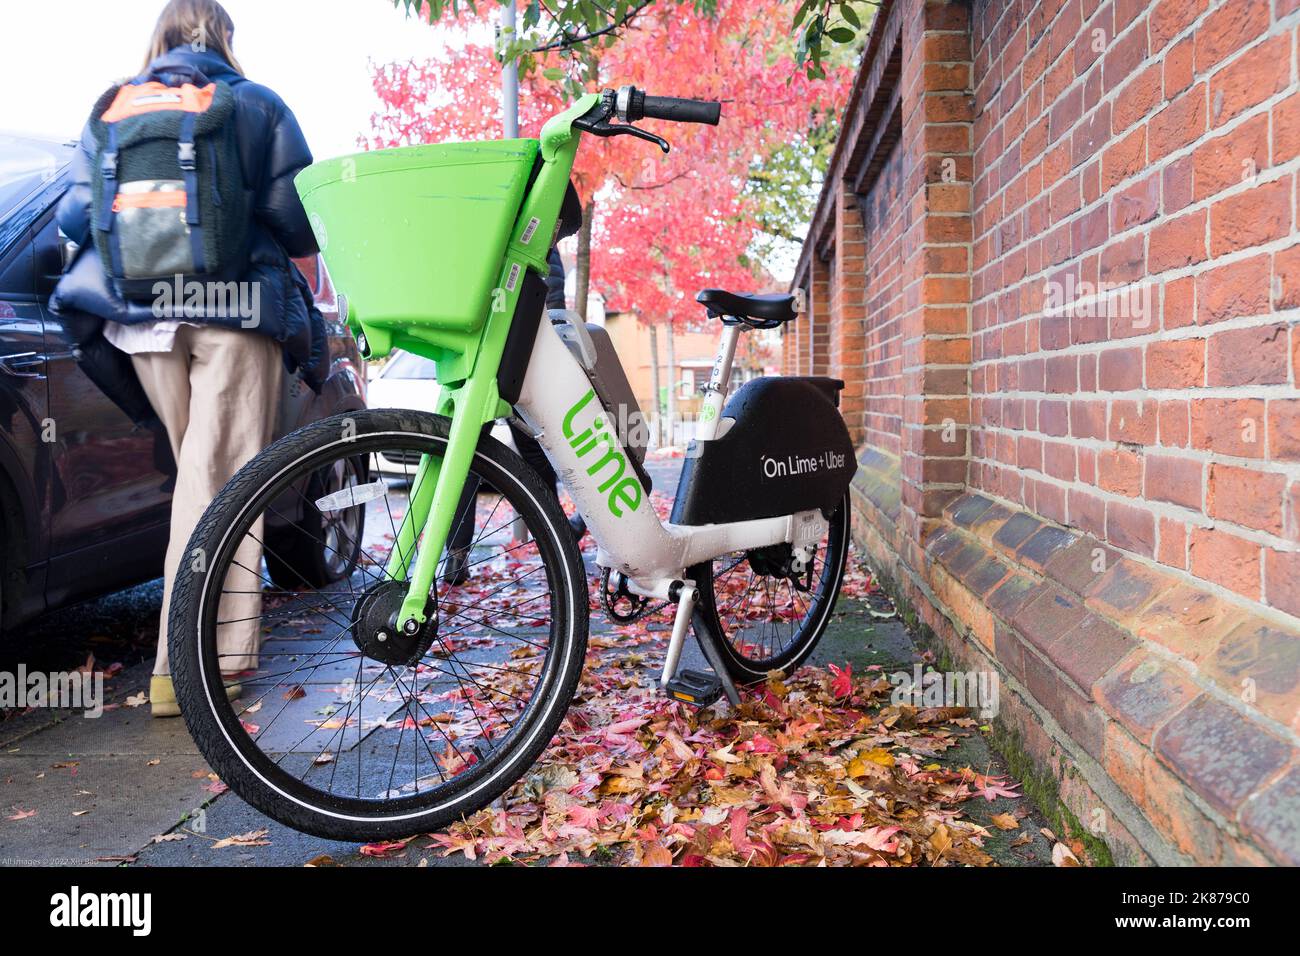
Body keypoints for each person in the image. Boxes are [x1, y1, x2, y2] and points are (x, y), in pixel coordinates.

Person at [52, 0, 323, 717]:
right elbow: (298, 222)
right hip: (233, 316)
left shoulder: (113, 107)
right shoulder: (252, 103)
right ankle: (196, 668)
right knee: (225, 491)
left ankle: (186, 662)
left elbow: (75, 219)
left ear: (161, 38)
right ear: (223, 36)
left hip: (141, 323)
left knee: (196, 486)